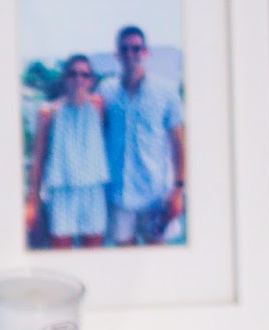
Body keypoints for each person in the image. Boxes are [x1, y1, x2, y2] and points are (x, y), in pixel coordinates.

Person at [100, 25, 186, 245]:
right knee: (125, 264)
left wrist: (178, 189)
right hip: (119, 194)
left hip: (155, 194)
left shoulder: (167, 91)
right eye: (125, 49)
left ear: (145, 52)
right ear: (116, 54)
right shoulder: (106, 91)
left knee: (157, 263)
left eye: (136, 49)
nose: (130, 54)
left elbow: (178, 141)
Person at [25, 55, 109, 249]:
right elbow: (39, 159)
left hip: (93, 189)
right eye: (73, 74)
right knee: (61, 249)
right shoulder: (49, 112)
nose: (78, 79)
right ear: (65, 78)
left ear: (91, 80)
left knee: (94, 251)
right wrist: (33, 202)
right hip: (61, 190)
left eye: (84, 75)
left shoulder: (99, 107)